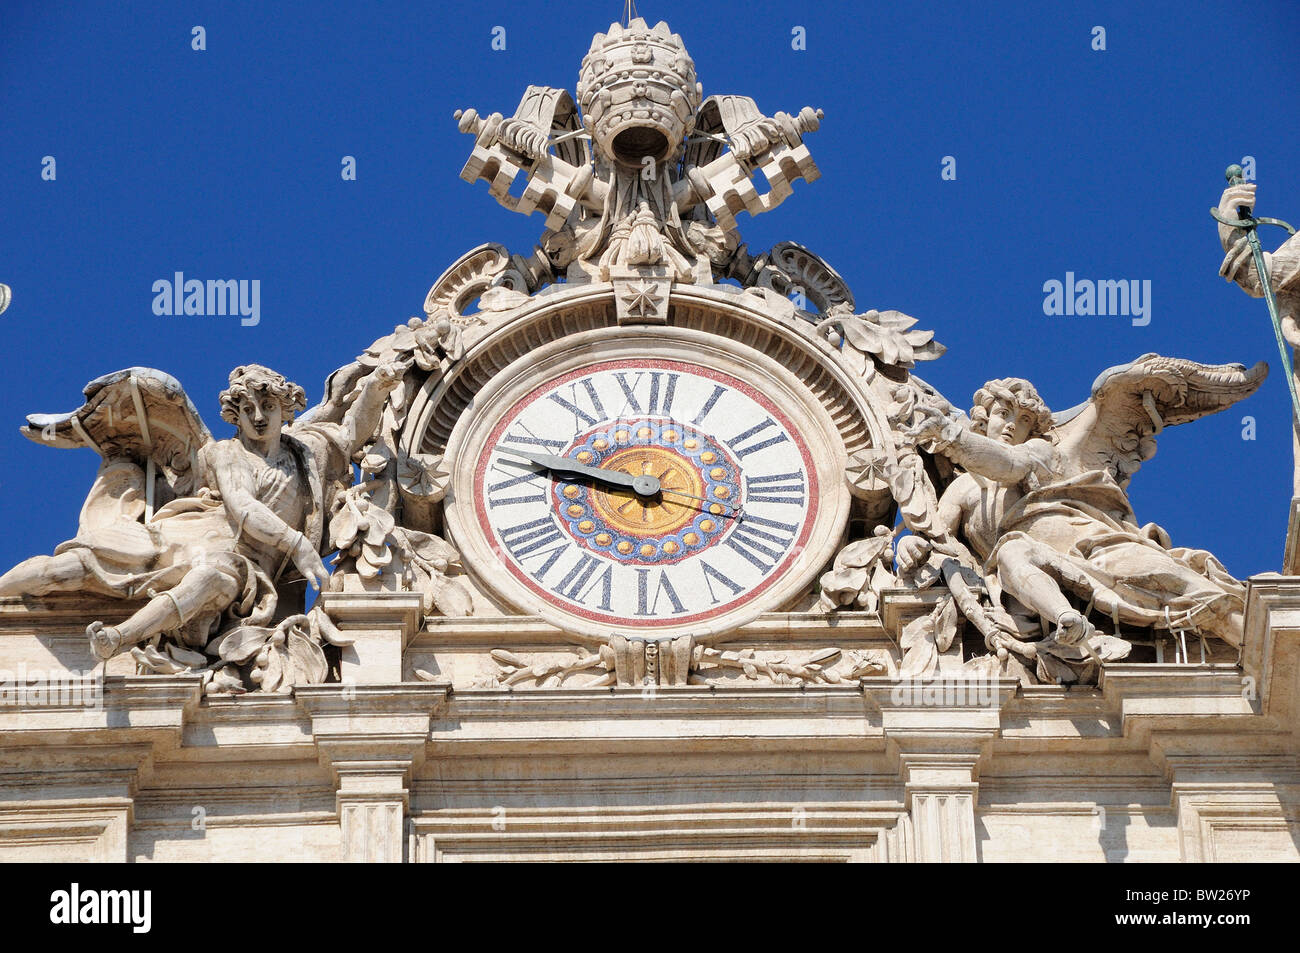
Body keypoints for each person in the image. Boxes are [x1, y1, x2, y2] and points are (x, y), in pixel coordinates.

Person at [0, 362, 401, 660]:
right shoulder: (226, 454)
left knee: (213, 577)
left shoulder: (306, 450)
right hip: (184, 537)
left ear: (286, 408)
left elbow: (352, 433)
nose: (258, 417)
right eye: (248, 409)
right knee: (74, 566)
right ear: (235, 414)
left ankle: (119, 638)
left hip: (240, 564)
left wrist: (378, 387)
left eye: (267, 406)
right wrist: (296, 543)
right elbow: (242, 507)